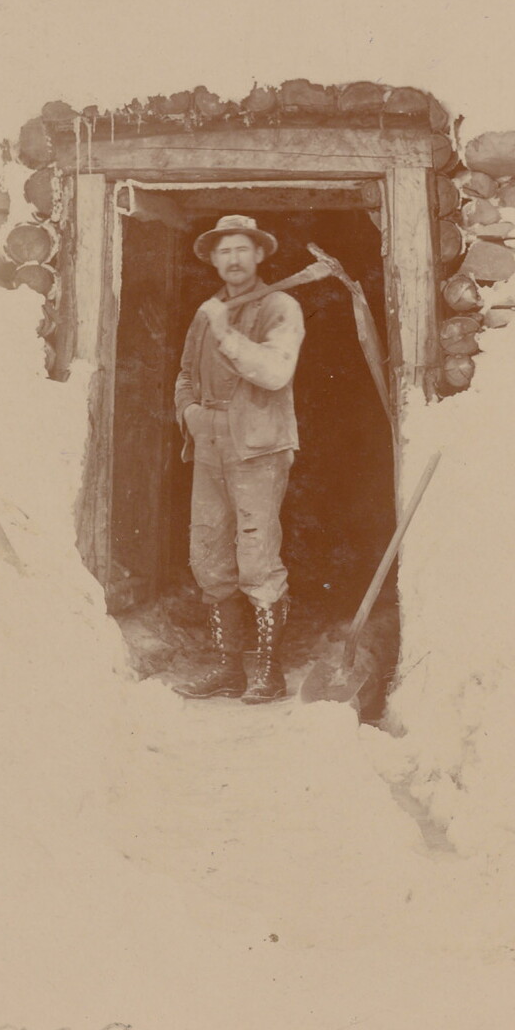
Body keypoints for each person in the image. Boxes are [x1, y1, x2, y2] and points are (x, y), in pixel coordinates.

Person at [173, 214, 305, 703]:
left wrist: (227, 332)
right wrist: (188, 411)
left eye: (242, 249)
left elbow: (274, 372)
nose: (233, 259)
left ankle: (268, 674)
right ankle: (228, 668)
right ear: (212, 259)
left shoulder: (280, 306)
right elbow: (185, 371)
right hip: (208, 442)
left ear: (260, 255)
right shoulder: (206, 312)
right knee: (209, 555)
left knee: (256, 557)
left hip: (258, 445)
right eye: (223, 250)